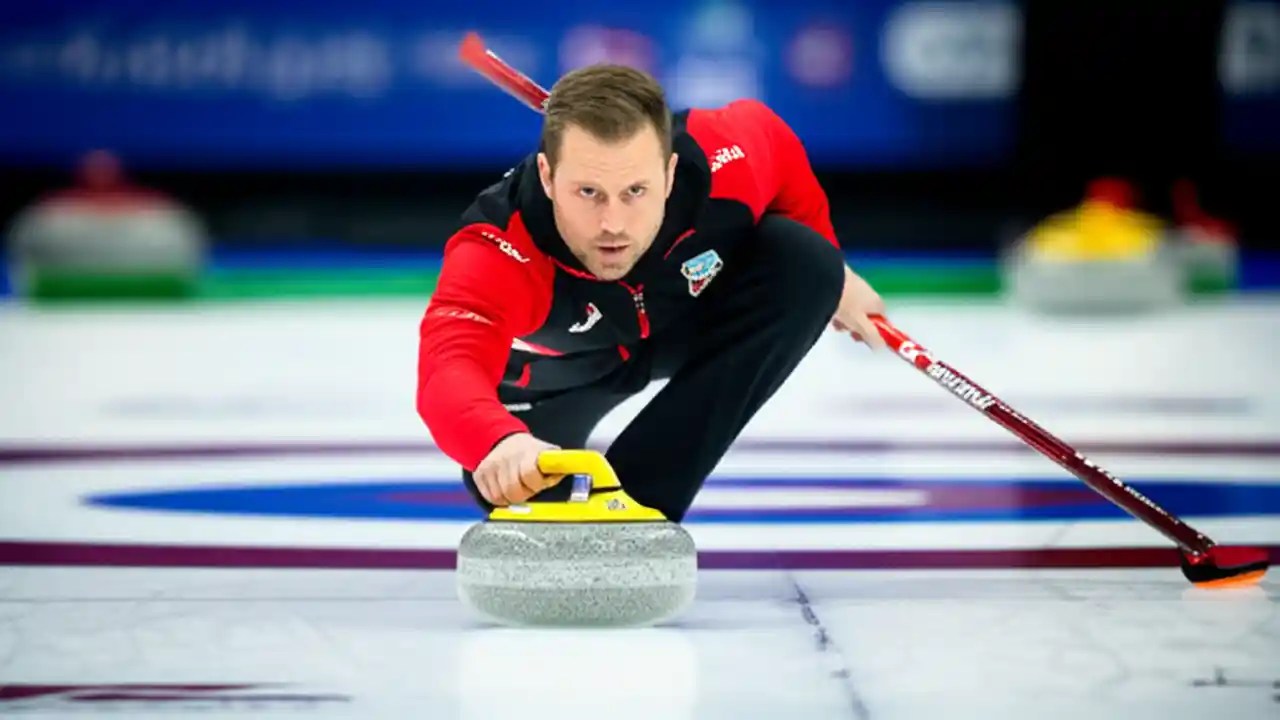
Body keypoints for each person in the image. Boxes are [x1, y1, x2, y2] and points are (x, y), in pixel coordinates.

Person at [416, 64, 886, 522]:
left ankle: (643, 507)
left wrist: (836, 273)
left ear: (670, 172)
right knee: (526, 499)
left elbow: (775, 144)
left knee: (808, 265)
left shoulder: (726, 157)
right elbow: (448, 369)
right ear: (546, 175)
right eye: (588, 192)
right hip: (559, 378)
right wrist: (498, 441)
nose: (612, 225)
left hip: (682, 321)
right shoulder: (498, 247)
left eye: (635, 190)